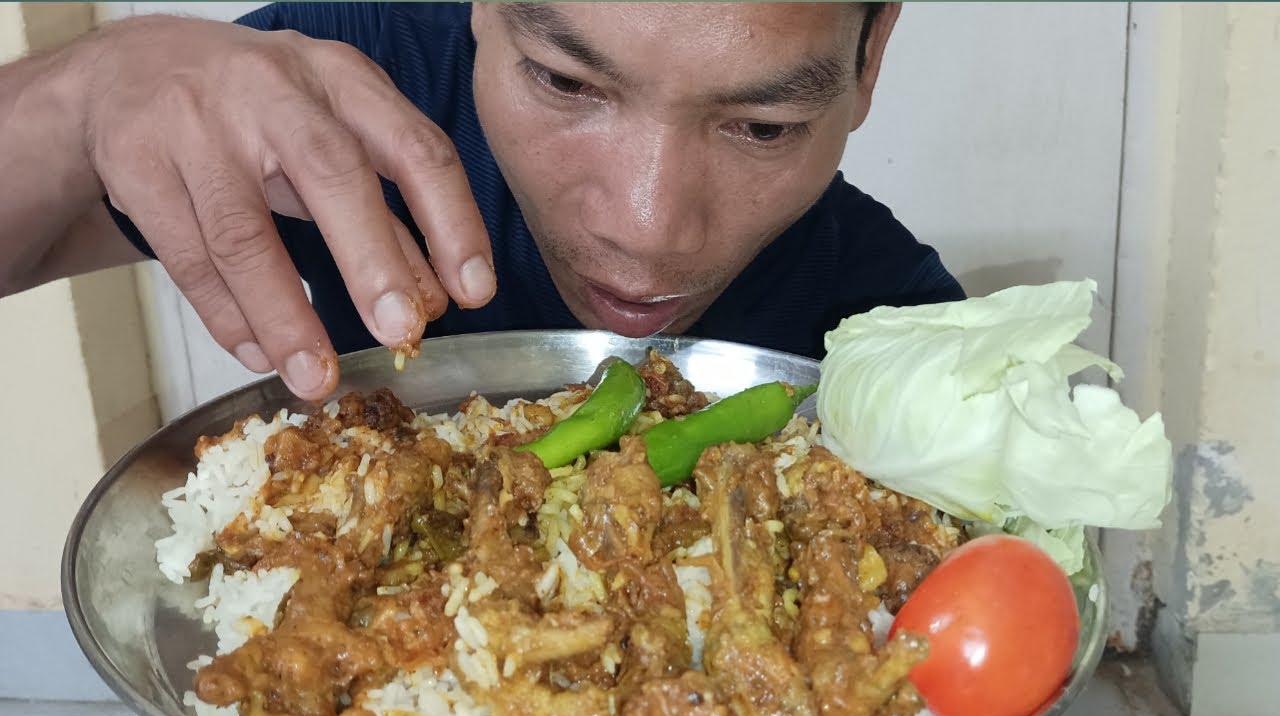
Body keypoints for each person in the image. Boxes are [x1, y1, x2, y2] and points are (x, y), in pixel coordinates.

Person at [0, 2, 964, 403]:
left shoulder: (896, 321)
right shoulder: (344, 87)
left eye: (760, 126)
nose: (645, 229)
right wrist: (81, 97)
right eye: (565, 81)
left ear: (869, 58)